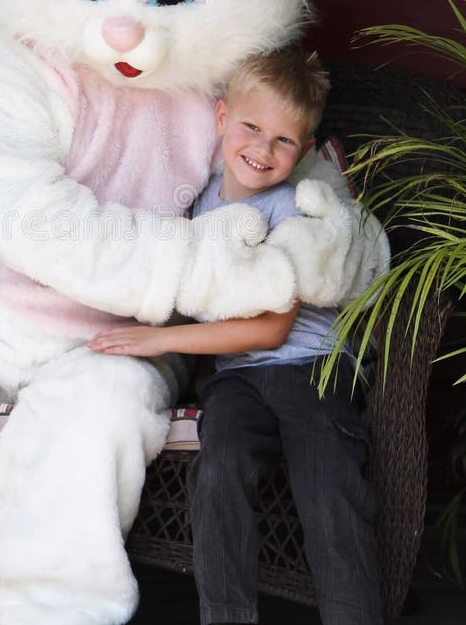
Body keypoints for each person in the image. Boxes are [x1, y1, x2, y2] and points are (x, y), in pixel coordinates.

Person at [89, 48, 382, 625]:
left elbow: (272, 329)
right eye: (251, 127)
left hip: (313, 368)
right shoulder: (196, 203)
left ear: (305, 149)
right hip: (237, 378)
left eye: (283, 140)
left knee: (328, 481)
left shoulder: (296, 207)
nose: (262, 150)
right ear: (221, 118)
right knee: (220, 468)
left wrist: (160, 342)